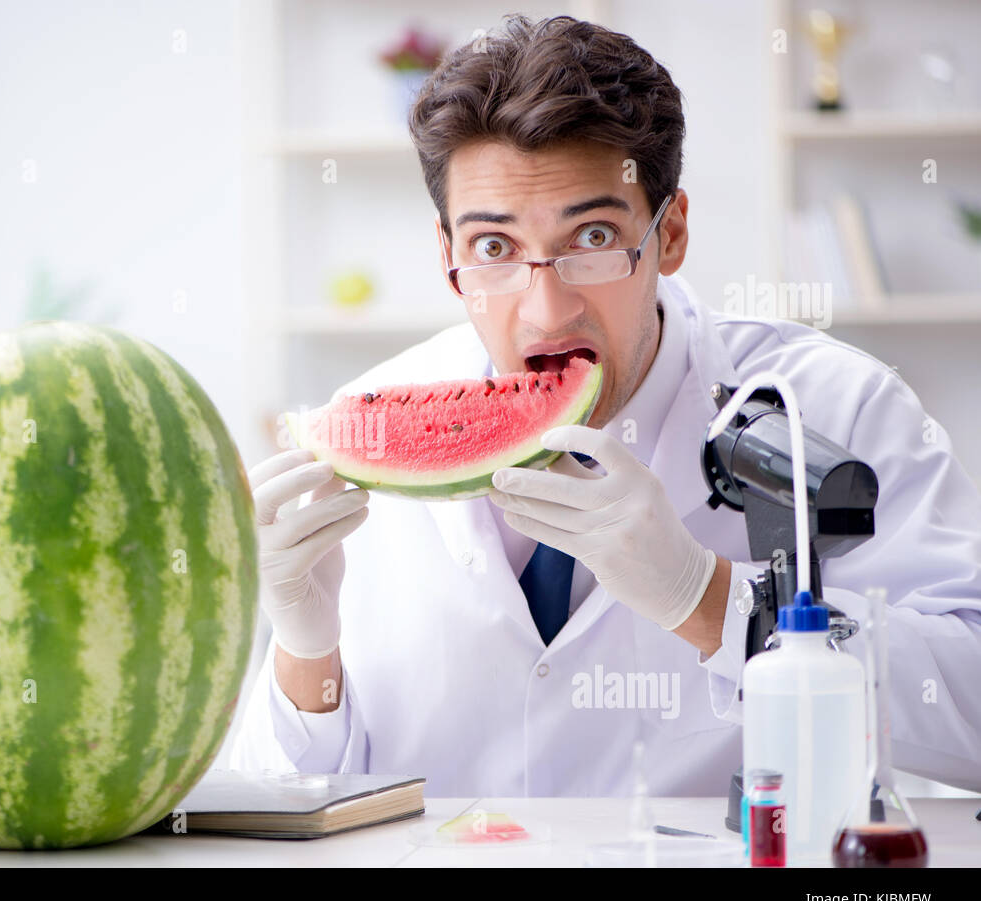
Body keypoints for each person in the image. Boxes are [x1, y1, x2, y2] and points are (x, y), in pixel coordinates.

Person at [227, 15, 981, 796]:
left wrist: (711, 600)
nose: (547, 310)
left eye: (592, 235)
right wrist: (304, 649)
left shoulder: (833, 403)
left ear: (671, 232)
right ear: (447, 256)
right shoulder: (366, 425)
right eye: (494, 248)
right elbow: (273, 806)